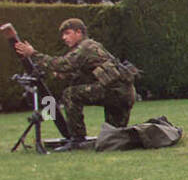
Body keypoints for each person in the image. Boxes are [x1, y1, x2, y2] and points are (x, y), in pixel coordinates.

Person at [14, 18, 135, 149]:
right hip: (124, 94)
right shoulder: (92, 46)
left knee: (70, 94)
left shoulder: (86, 46)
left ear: (79, 32)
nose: (64, 38)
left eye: (67, 33)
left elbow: (63, 64)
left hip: (114, 92)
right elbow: (83, 74)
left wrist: (33, 54)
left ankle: (77, 139)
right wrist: (62, 73)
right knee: (114, 139)